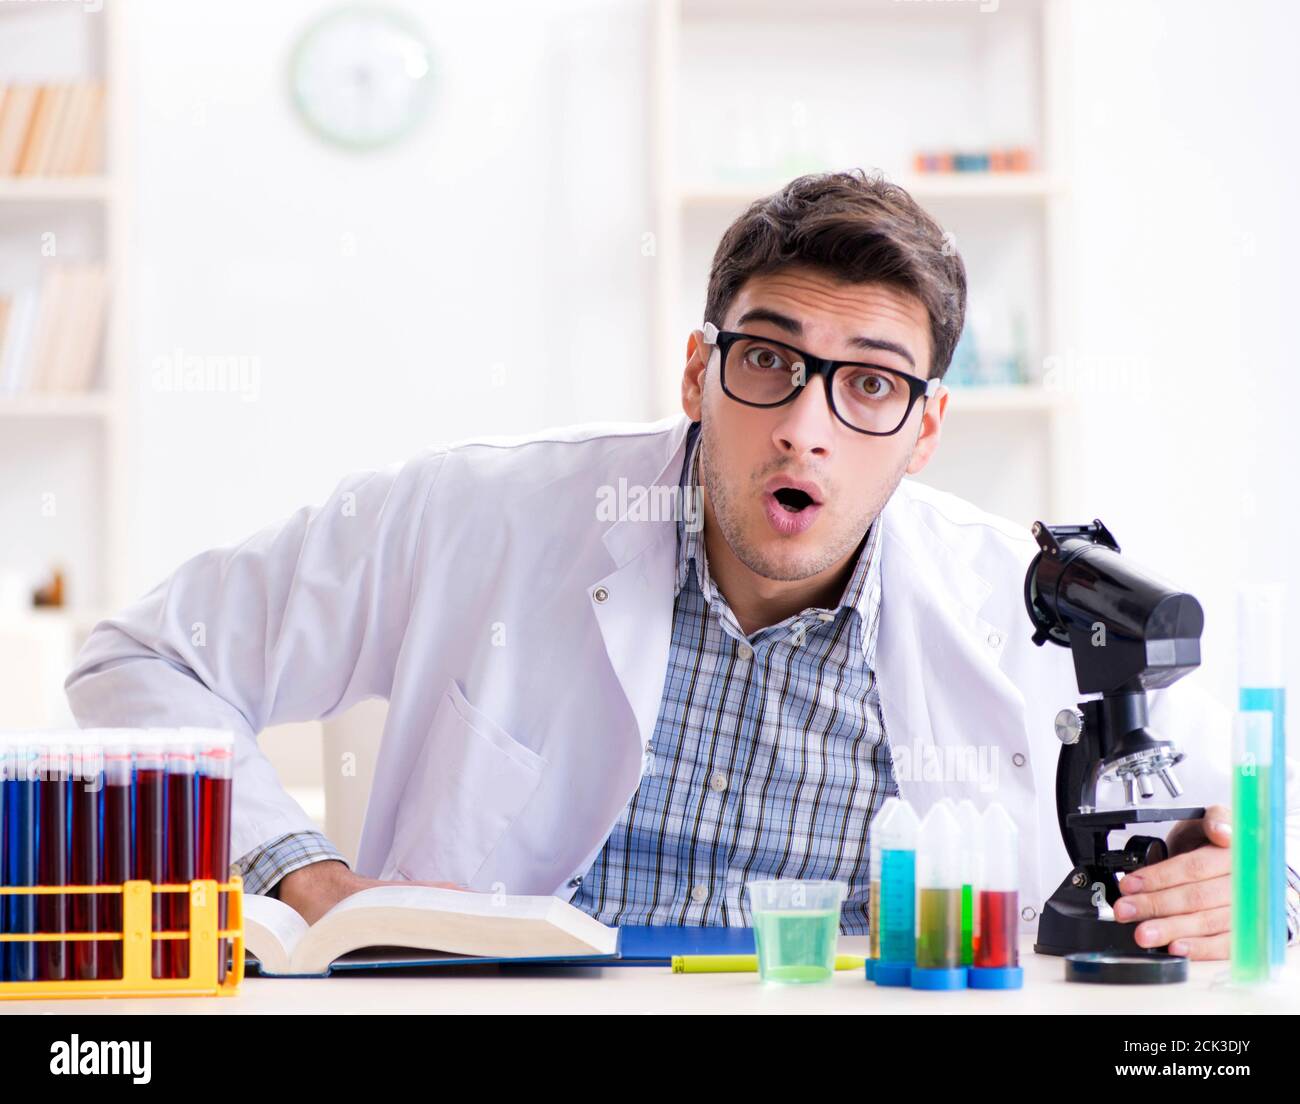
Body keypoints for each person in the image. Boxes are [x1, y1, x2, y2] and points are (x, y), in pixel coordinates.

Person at [65, 170, 1297, 959]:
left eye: (868, 385)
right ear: (700, 372)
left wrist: (1247, 890)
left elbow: (1255, 856)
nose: (805, 425)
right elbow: (139, 659)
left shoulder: (1021, 607)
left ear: (923, 433)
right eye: (769, 362)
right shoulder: (479, 514)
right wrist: (302, 873)